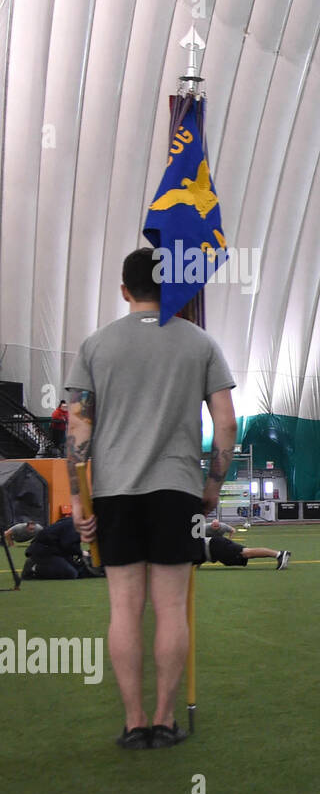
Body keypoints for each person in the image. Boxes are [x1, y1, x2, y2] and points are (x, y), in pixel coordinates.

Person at [66, 247, 237, 750]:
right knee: (170, 609)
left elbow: (78, 428)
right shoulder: (201, 343)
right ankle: (164, 721)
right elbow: (226, 423)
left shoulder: (95, 346)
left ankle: (134, 722)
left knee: (124, 609)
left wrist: (80, 501)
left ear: (124, 290)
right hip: (177, 493)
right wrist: (212, 487)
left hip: (114, 493)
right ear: (174, 289)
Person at [21, 517, 100, 580]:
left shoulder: (71, 520)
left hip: (55, 550)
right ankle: (34, 569)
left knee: (77, 571)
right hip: (44, 551)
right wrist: (81, 552)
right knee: (71, 573)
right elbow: (68, 545)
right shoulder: (74, 525)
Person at [195, 533, 289, 570]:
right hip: (215, 549)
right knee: (247, 554)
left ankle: (279, 554)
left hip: (216, 546)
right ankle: (279, 554)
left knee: (246, 553)